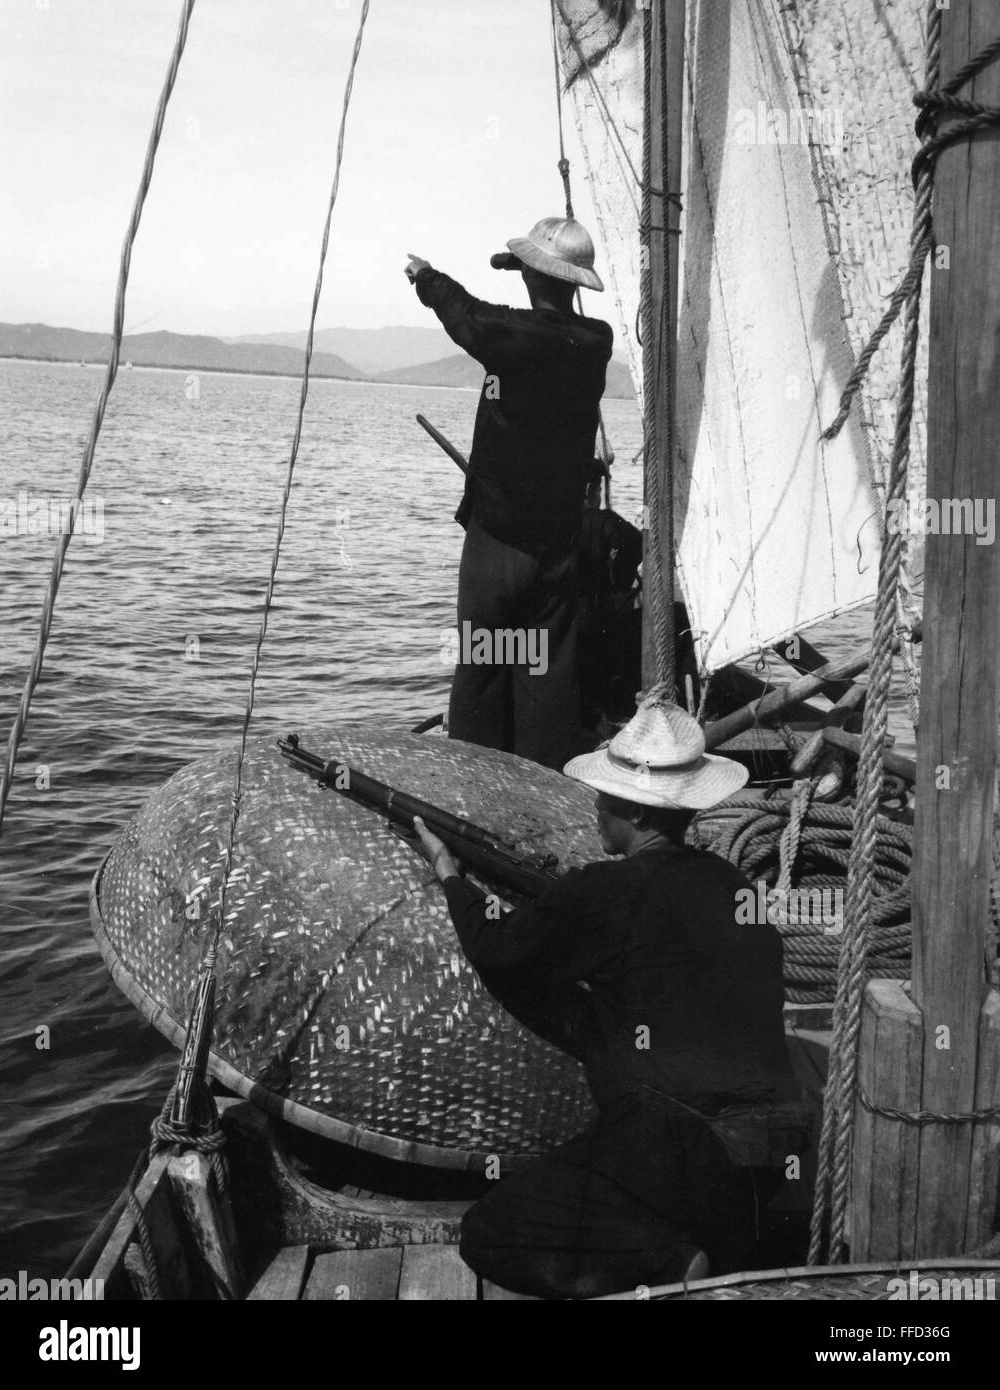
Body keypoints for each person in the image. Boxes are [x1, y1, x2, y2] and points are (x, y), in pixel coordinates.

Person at [413, 697, 807, 1300]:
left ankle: (674, 1263)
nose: (595, 805)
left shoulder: (604, 892)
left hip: (685, 1148)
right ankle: (701, 1233)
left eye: (604, 796)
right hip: (772, 1154)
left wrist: (448, 875)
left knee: (491, 1233)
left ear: (631, 809)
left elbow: (497, 948)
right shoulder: (731, 883)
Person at [405, 217, 613, 771]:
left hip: (499, 541)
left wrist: (426, 277)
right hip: (558, 544)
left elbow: (467, 315)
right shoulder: (596, 342)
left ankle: (474, 776)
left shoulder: (514, 337)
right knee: (543, 668)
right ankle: (542, 778)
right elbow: (495, 319)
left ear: (532, 275)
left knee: (483, 664)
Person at [576, 463, 642, 730]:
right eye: (599, 489)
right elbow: (639, 546)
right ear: (590, 490)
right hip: (596, 623)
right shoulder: (606, 523)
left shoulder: (552, 520)